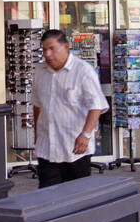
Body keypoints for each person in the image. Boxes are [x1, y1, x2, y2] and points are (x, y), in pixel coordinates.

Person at [30, 29, 108, 188]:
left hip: (74, 148)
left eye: (52, 49)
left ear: (65, 47)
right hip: (48, 147)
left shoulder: (83, 71)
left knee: (76, 197)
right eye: (44, 49)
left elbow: (97, 105)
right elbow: (37, 105)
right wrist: (37, 135)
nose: (47, 54)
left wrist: (85, 134)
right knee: (46, 197)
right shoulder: (39, 71)